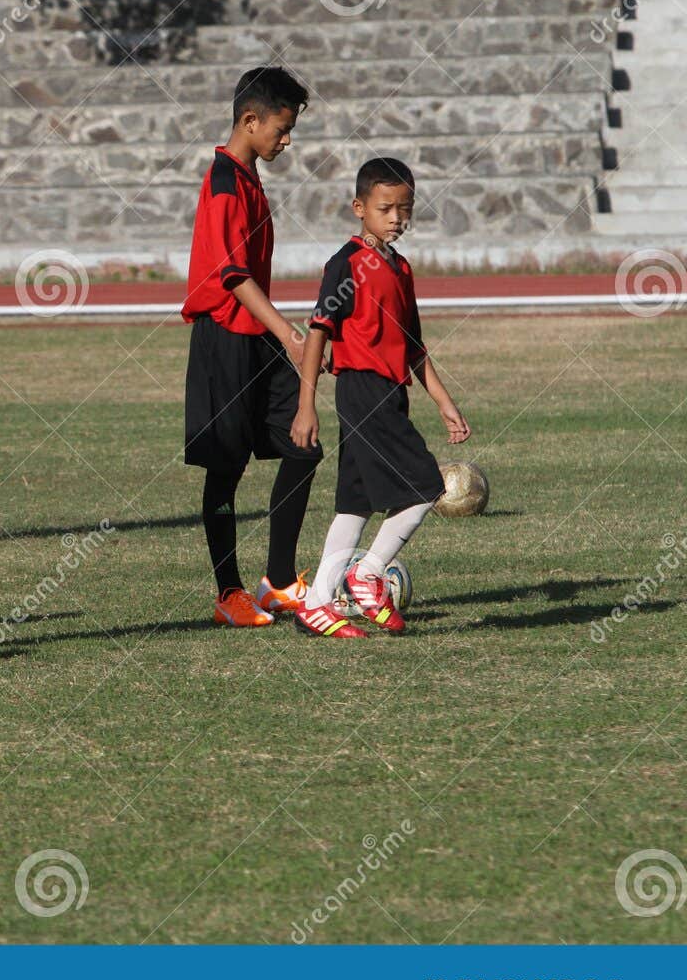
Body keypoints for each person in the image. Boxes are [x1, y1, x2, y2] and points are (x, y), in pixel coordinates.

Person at [291, 157, 471, 637]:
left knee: (355, 503)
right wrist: (306, 404)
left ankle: (316, 603)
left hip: (392, 392)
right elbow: (317, 333)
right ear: (359, 208)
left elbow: (413, 345)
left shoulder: (402, 267)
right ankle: (368, 575)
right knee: (427, 485)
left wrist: (443, 401)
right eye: (385, 207)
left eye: (405, 208)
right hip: (361, 390)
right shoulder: (344, 265)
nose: (396, 217)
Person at [180, 66, 321, 628]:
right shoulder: (222, 181)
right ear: (250, 120)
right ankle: (229, 593)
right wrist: (289, 333)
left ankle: (280, 580)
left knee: (304, 445)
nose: (287, 140)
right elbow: (234, 276)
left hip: (257, 336)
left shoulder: (247, 176)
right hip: (225, 340)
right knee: (226, 470)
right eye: (282, 129)